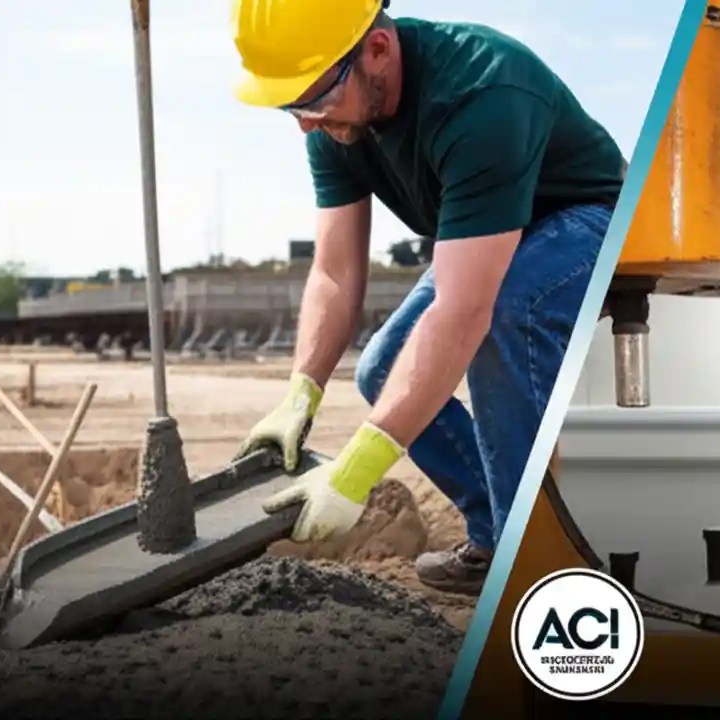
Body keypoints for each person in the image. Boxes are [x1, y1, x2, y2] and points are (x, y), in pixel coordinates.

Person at [227, 0, 624, 595]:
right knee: (385, 365)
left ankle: (545, 563)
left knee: (508, 314)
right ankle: (499, 537)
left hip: (591, 220)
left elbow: (465, 311)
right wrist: (300, 393)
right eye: (291, 105)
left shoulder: (483, 91)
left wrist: (359, 468)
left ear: (377, 50)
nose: (305, 122)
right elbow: (334, 273)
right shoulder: (335, 119)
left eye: (311, 99)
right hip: (490, 233)